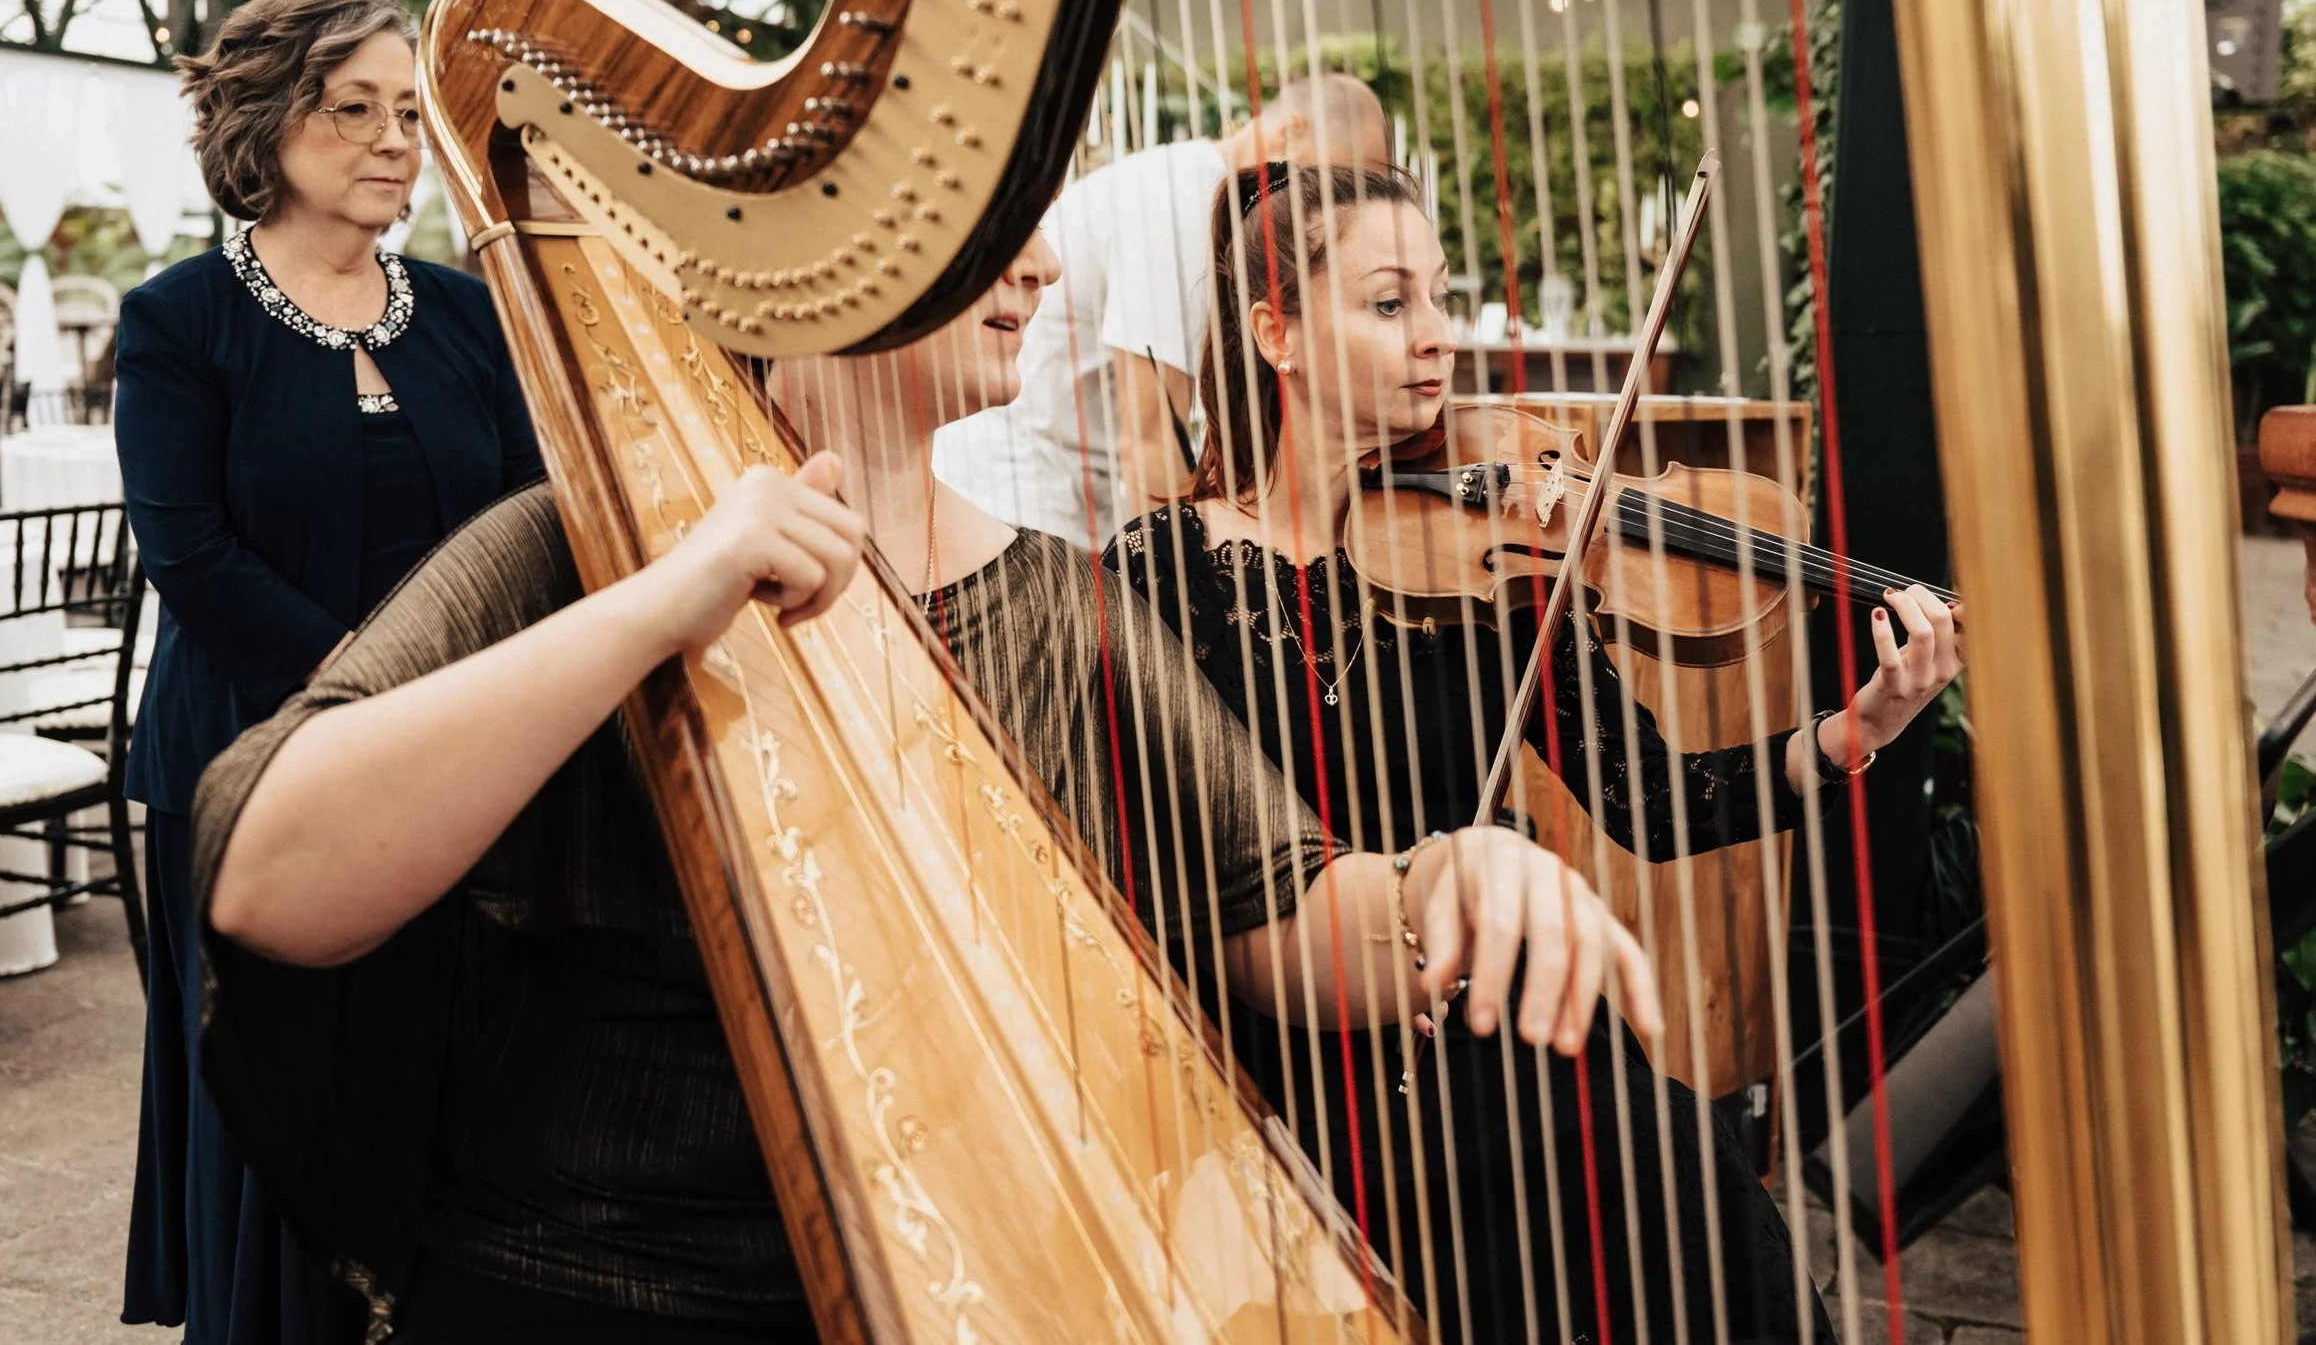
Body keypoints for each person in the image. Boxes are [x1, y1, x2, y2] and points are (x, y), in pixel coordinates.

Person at [184, 232, 1665, 1342]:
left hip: (971, 1271)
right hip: (588, 1284)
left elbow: (1276, 910)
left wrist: (1447, 877)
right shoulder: (574, 545)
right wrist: (666, 595)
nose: (1044, 264)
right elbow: (270, 881)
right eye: (990, 225)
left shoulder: (1063, 601)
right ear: (821, 260)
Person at [1105, 164, 1965, 1343]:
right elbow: (1165, 866)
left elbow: (1657, 799)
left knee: (1677, 1173)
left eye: (1442, 300)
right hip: (1297, 1049)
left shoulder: (1488, 554)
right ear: (1278, 332)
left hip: (1500, 1019)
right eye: (1391, 303)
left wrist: (1853, 730)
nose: (1440, 338)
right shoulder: (1161, 569)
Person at [116, 0, 545, 1344]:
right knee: (280, 1083)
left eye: (408, 111)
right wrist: (379, 680)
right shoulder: (181, 317)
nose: (392, 139)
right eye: (350, 107)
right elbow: (191, 551)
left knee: (425, 1072)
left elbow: (535, 516)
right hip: (248, 759)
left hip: (448, 764)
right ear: (264, 122)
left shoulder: (471, 314)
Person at [934, 72, 1389, 545]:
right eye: (1333, 178)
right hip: (1023, 502)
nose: (1333, 204)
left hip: (1055, 497)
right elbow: (1150, 440)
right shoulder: (1179, 204)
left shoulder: (1193, 190)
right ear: (1289, 131)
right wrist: (1198, 581)